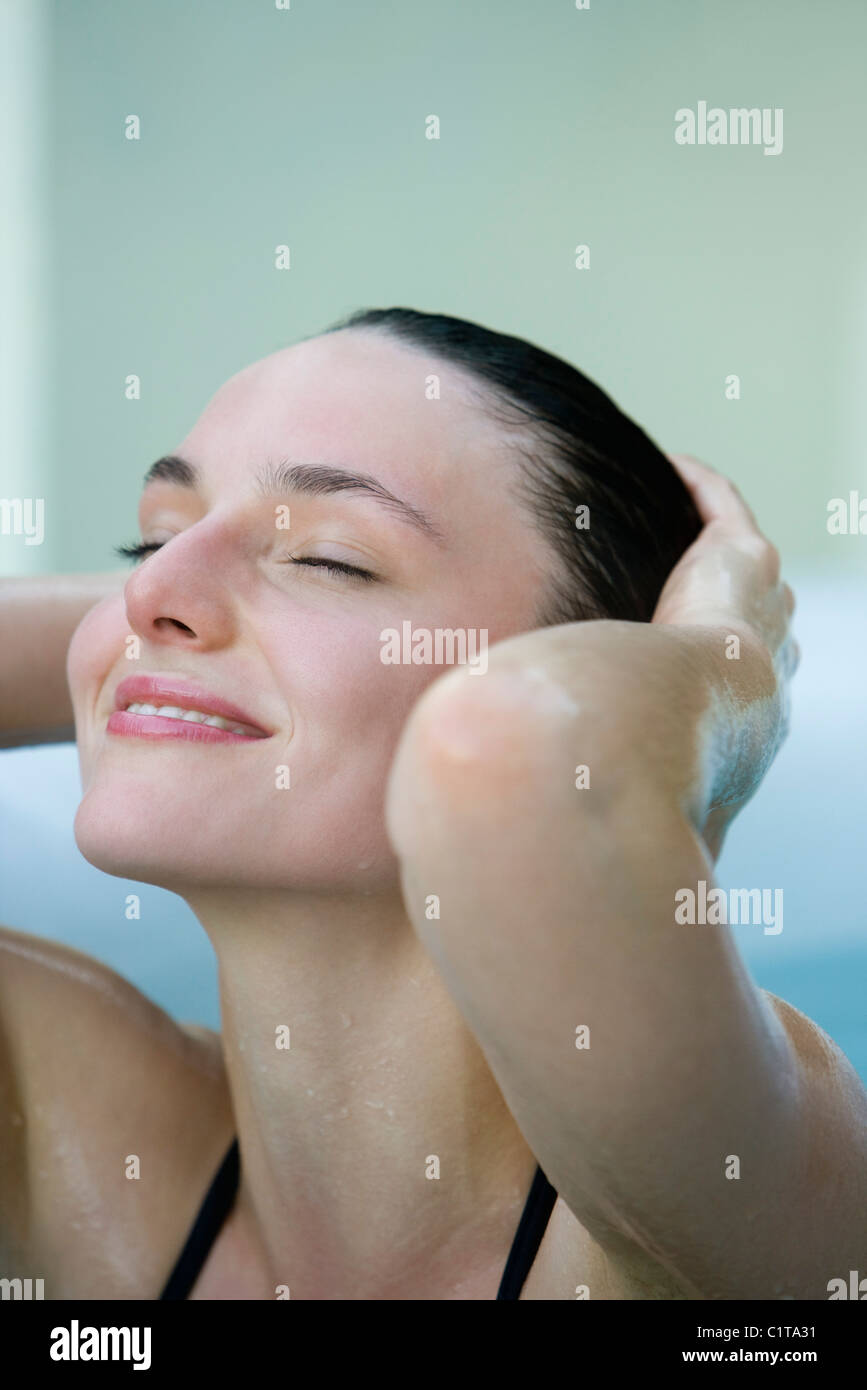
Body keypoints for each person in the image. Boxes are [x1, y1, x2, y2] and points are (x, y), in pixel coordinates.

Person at [1, 308, 864, 1300]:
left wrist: (733, 665)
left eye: (330, 558)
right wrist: (151, 633)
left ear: (594, 673)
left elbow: (509, 754)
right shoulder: (78, 1145)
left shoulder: (727, 1193)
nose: (153, 585)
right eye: (147, 538)